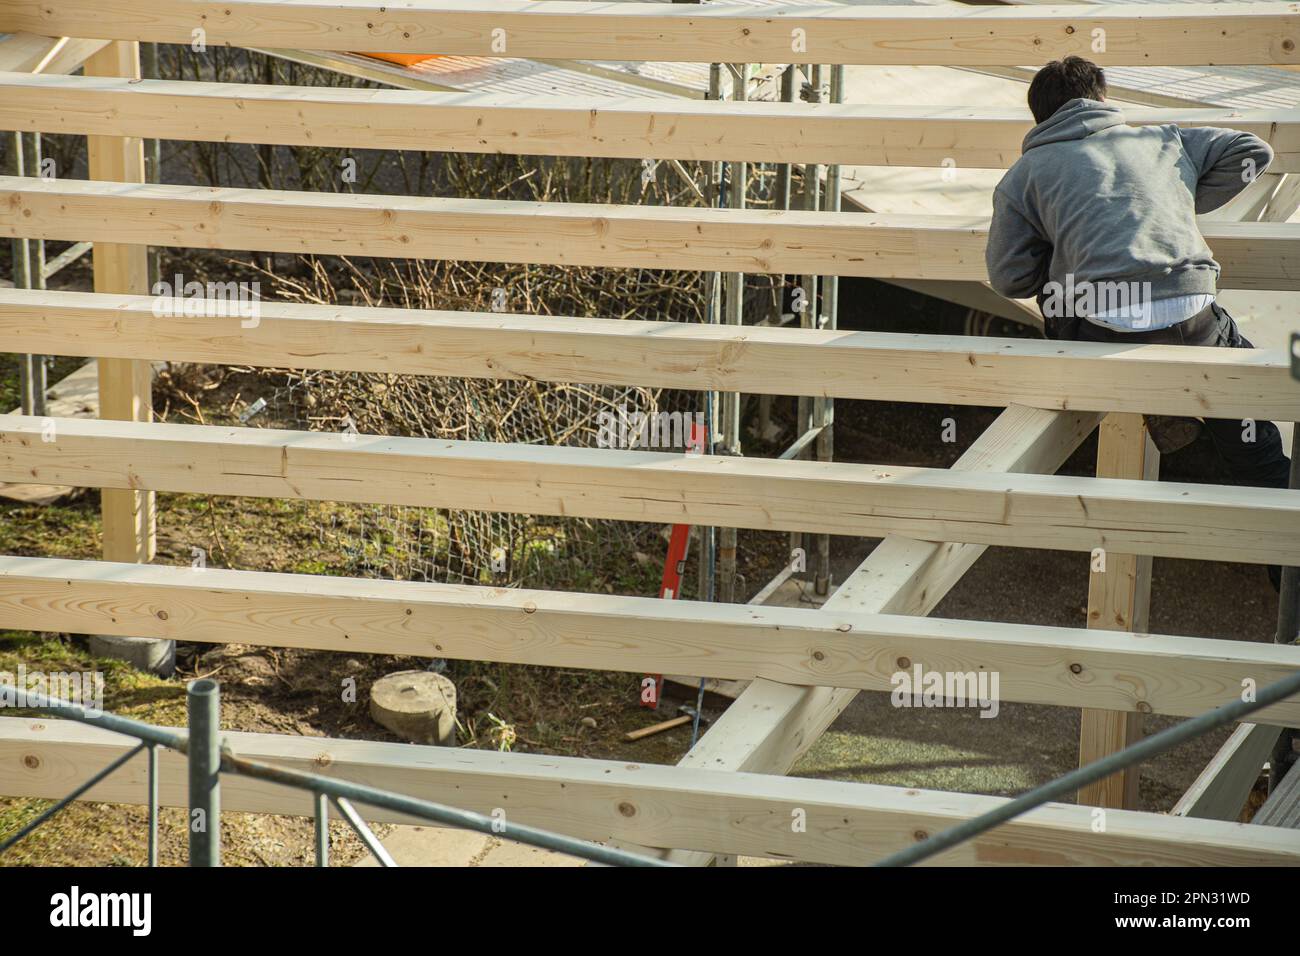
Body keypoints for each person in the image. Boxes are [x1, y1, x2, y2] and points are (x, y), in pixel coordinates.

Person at [986, 56, 1291, 586]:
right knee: (1255, 449)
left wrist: (1063, 241)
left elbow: (1011, 278)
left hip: (1103, 327)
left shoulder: (1026, 175)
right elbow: (1254, 151)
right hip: (1193, 312)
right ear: (1102, 98)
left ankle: (1159, 406)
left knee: (1060, 302)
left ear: (1040, 119)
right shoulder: (1163, 139)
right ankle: (1290, 587)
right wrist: (1170, 196)